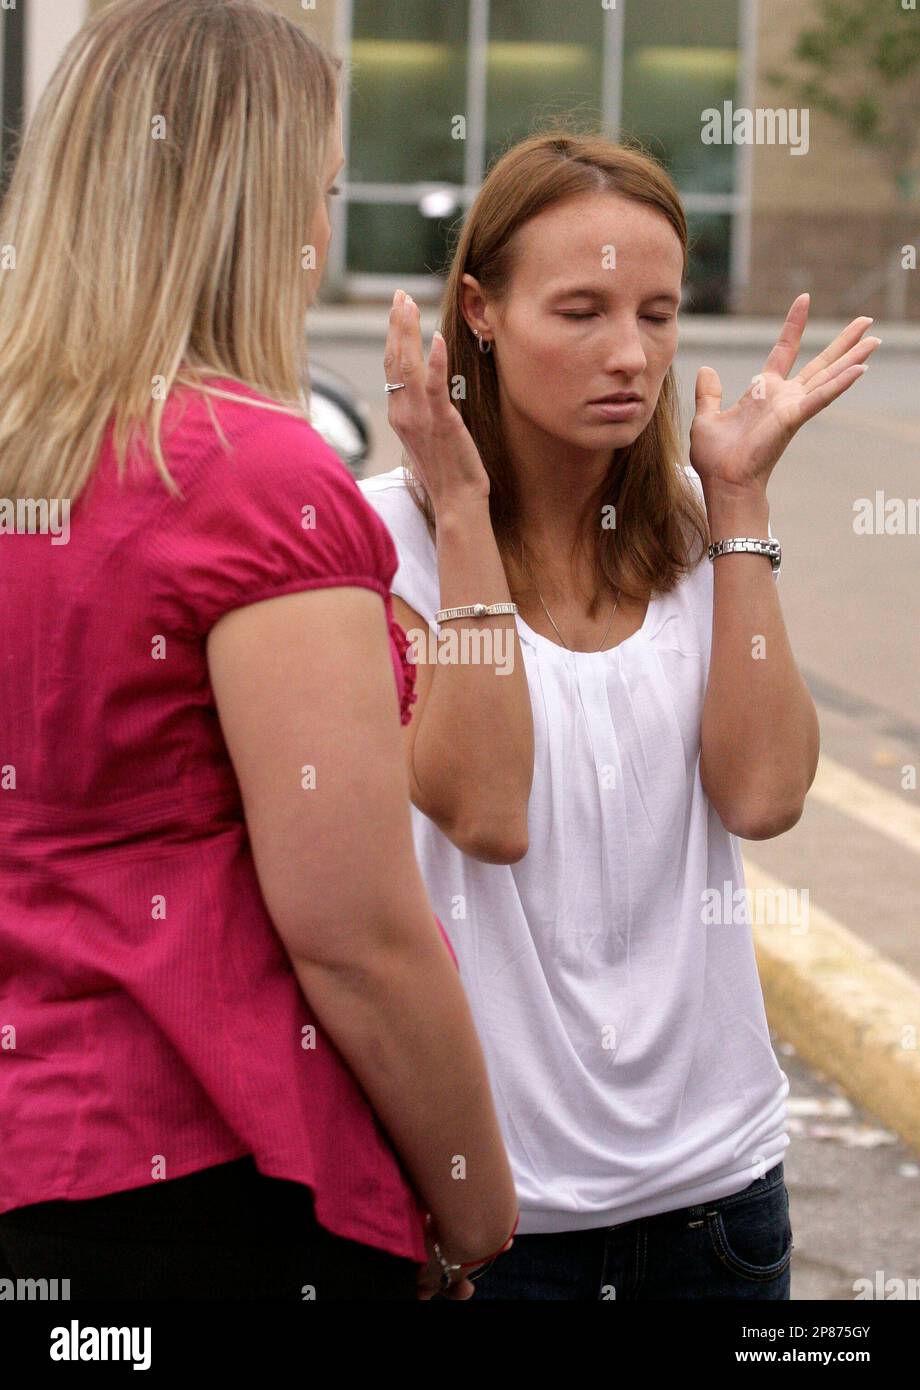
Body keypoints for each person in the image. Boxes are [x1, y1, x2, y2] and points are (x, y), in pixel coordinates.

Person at [0, 0, 518, 1302]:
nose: (323, 230)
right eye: (320, 189)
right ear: (255, 204)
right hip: (197, 1171)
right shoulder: (247, 477)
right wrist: (476, 1199)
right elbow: (355, 928)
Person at [360, 129, 880, 1300]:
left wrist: (738, 501)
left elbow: (762, 795)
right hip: (492, 1215)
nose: (628, 355)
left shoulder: (697, 519)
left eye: (657, 313)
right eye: (581, 310)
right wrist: (458, 511)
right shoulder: (382, 539)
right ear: (479, 313)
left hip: (719, 1203)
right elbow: (486, 810)